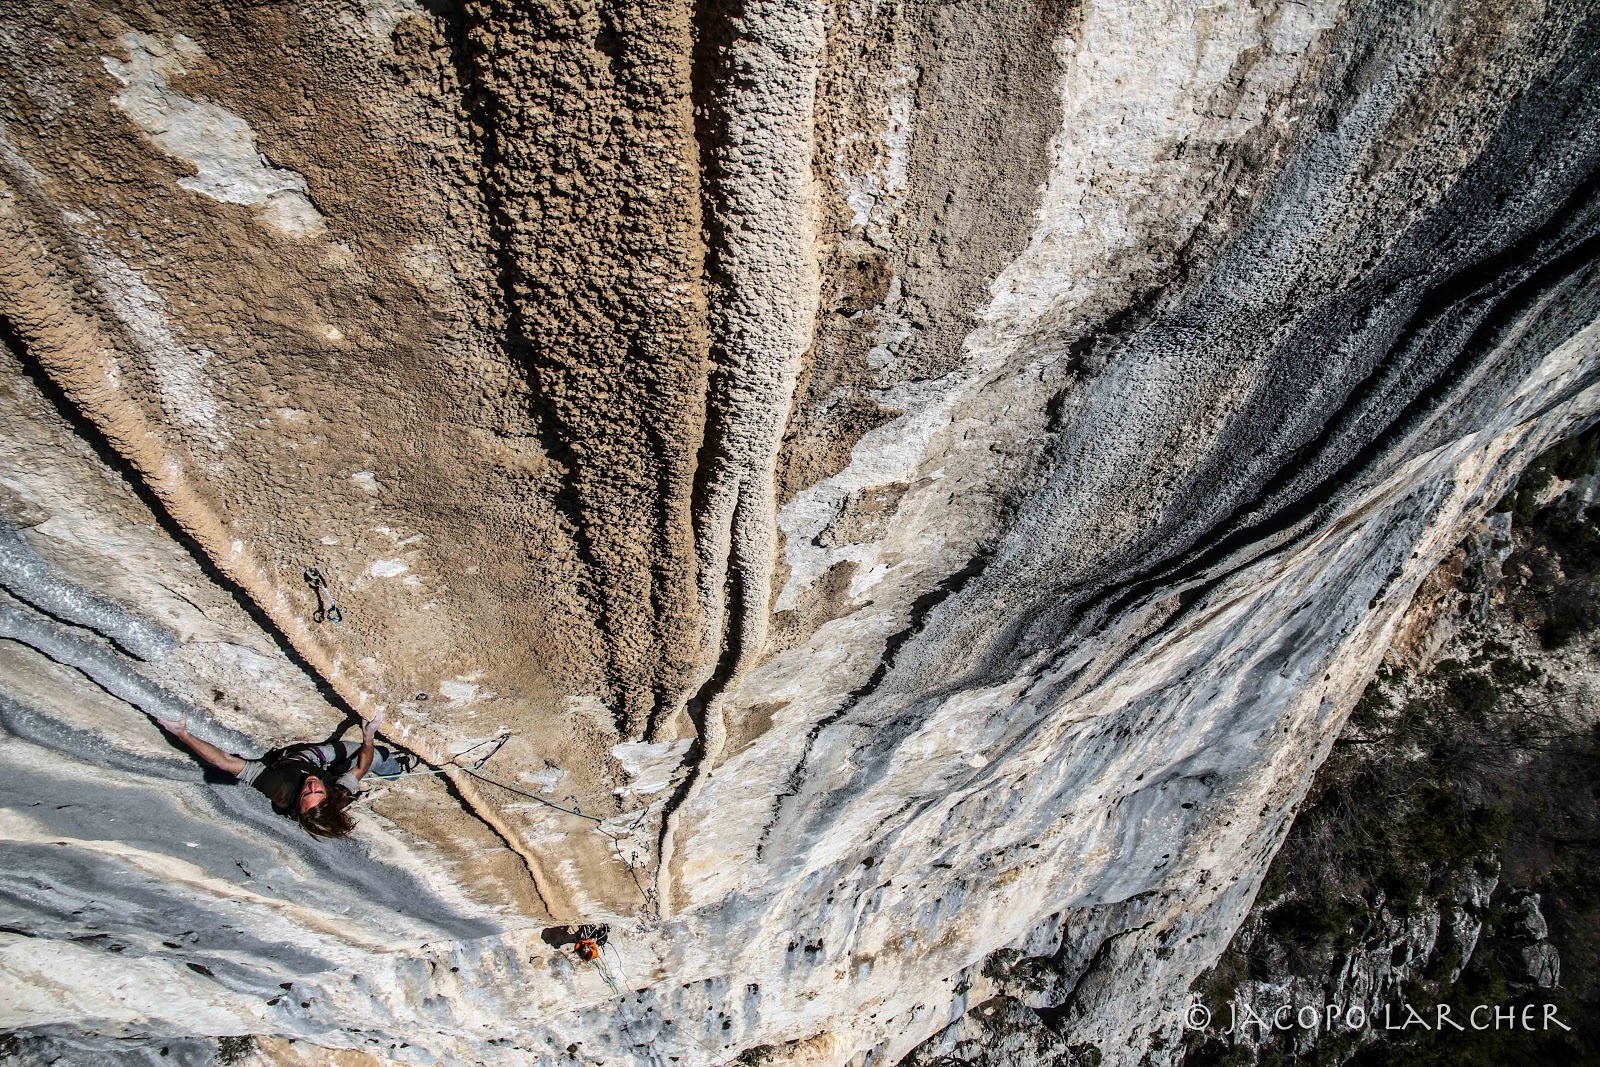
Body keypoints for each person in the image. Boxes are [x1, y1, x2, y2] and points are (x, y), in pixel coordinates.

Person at [156, 710, 415, 838]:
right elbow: (360, 766)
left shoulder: (277, 787)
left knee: (367, 754)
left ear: (298, 802)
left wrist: (182, 734)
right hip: (317, 761)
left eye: (308, 792)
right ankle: (397, 768)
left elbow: (225, 762)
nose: (312, 785)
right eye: (317, 791)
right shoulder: (337, 795)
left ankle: (393, 767)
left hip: (300, 758)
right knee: (373, 756)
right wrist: (368, 736)